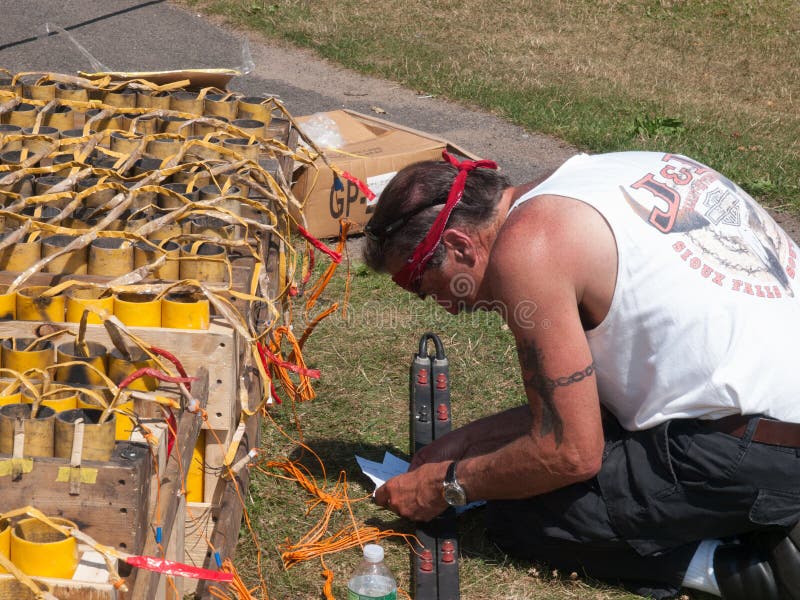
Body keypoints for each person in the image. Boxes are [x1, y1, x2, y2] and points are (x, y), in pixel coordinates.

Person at [362, 150, 800, 599]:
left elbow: (570, 453)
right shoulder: (581, 177)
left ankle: (746, 568)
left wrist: (447, 485)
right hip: (774, 417)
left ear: (459, 245)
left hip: (759, 453)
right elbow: (594, 398)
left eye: (422, 286)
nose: (447, 306)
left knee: (522, 514)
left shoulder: (527, 248)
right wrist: (469, 443)